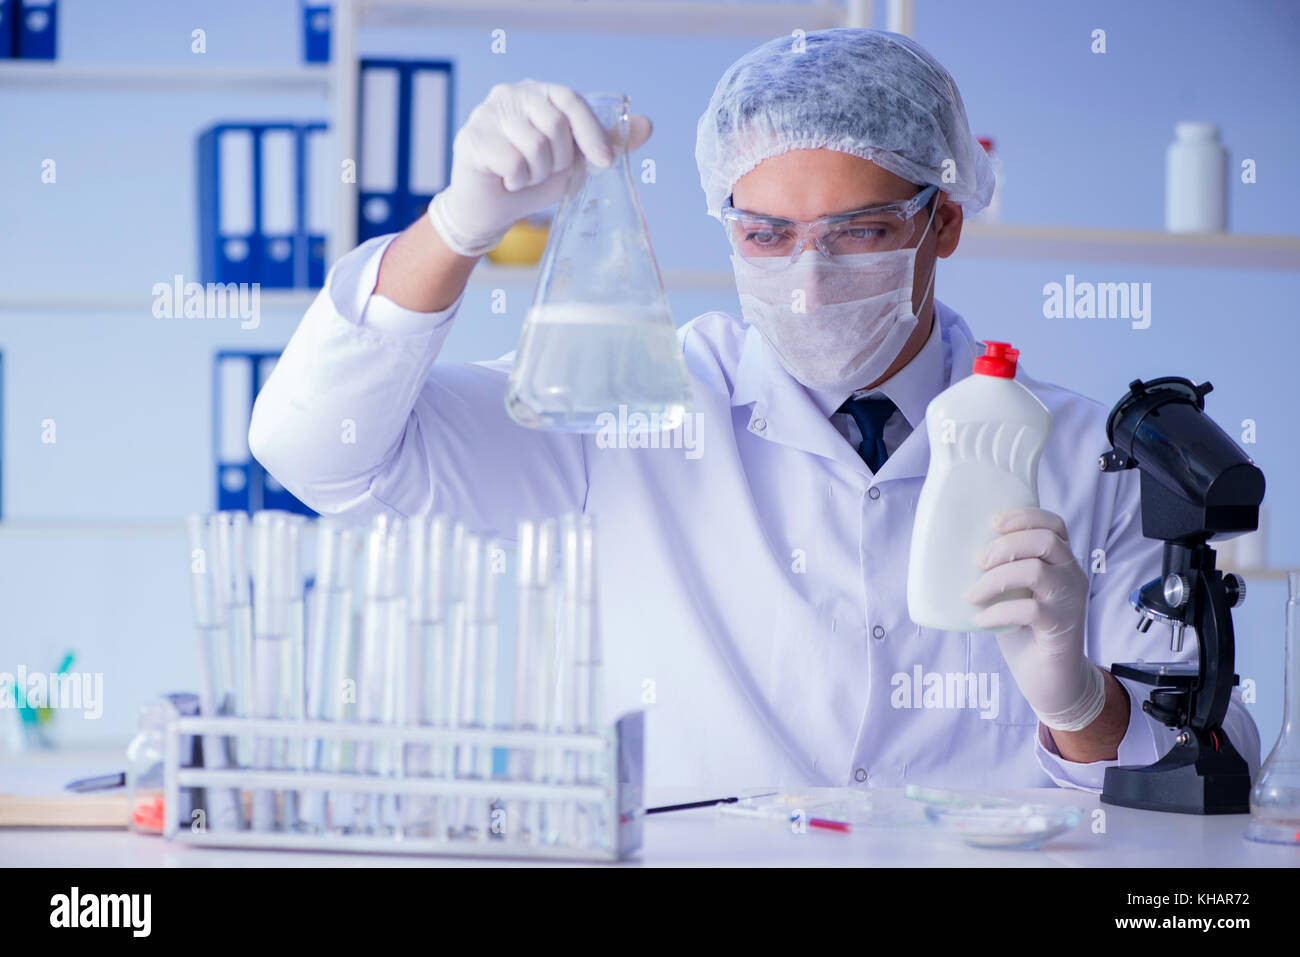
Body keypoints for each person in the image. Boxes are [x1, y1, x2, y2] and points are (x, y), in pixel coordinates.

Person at [249, 28, 1259, 790]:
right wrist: (456, 224)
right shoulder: (630, 404)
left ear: (942, 221)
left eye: (858, 233)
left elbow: (1217, 769)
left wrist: (1082, 706)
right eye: (766, 236)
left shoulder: (1090, 454)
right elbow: (322, 454)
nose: (808, 285)